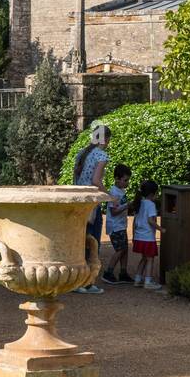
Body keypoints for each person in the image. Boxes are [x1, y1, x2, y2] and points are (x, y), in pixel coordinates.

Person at [72, 121, 111, 295]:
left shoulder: (81, 154)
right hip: (92, 203)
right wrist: (110, 196)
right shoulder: (101, 156)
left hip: (79, 202)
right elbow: (96, 181)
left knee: (79, 241)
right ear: (106, 140)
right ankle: (87, 282)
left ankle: (76, 281)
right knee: (93, 241)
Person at [102, 164, 133, 285]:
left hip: (121, 225)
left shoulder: (121, 191)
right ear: (117, 179)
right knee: (120, 250)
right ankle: (108, 272)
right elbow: (114, 211)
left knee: (125, 249)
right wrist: (127, 205)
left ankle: (123, 273)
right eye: (125, 180)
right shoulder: (114, 193)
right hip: (115, 226)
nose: (127, 183)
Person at [131, 178, 161, 290]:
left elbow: (135, 222)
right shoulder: (151, 205)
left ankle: (138, 279)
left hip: (139, 236)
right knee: (150, 258)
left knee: (144, 258)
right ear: (152, 194)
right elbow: (151, 221)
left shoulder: (140, 203)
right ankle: (148, 281)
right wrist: (160, 229)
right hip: (148, 237)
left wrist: (133, 236)